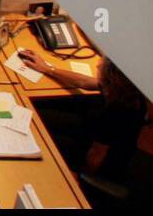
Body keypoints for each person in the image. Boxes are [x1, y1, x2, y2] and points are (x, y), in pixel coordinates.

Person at [21, 50, 149, 182]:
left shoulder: (119, 111)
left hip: (93, 155)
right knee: (36, 115)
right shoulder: (122, 88)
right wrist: (48, 69)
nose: (98, 65)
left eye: (102, 64)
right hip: (89, 128)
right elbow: (83, 82)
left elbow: (96, 155)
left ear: (113, 76)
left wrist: (79, 177)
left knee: (37, 132)